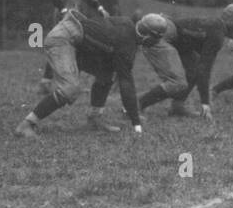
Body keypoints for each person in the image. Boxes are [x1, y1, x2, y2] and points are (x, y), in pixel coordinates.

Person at [14, 11, 142, 137]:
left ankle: (94, 119)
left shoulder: (125, 25)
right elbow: (127, 82)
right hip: (64, 38)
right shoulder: (127, 39)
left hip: (78, 42)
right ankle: (26, 124)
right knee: (70, 89)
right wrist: (136, 124)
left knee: (107, 74)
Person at [134, 4, 233, 119]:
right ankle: (135, 106)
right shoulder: (217, 34)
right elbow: (204, 69)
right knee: (177, 83)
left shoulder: (217, 27)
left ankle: (177, 106)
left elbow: (200, 67)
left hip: (175, 39)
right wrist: (205, 103)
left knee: (193, 70)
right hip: (160, 36)